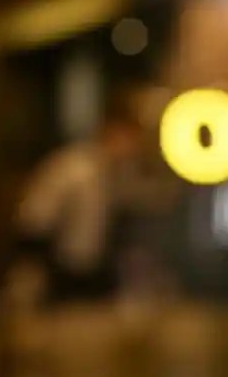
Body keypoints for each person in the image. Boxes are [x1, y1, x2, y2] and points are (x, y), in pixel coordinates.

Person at [10, 86, 143, 304]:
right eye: (129, 138)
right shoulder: (71, 169)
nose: (132, 148)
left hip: (95, 280)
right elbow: (33, 224)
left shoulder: (120, 177)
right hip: (58, 279)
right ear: (110, 132)